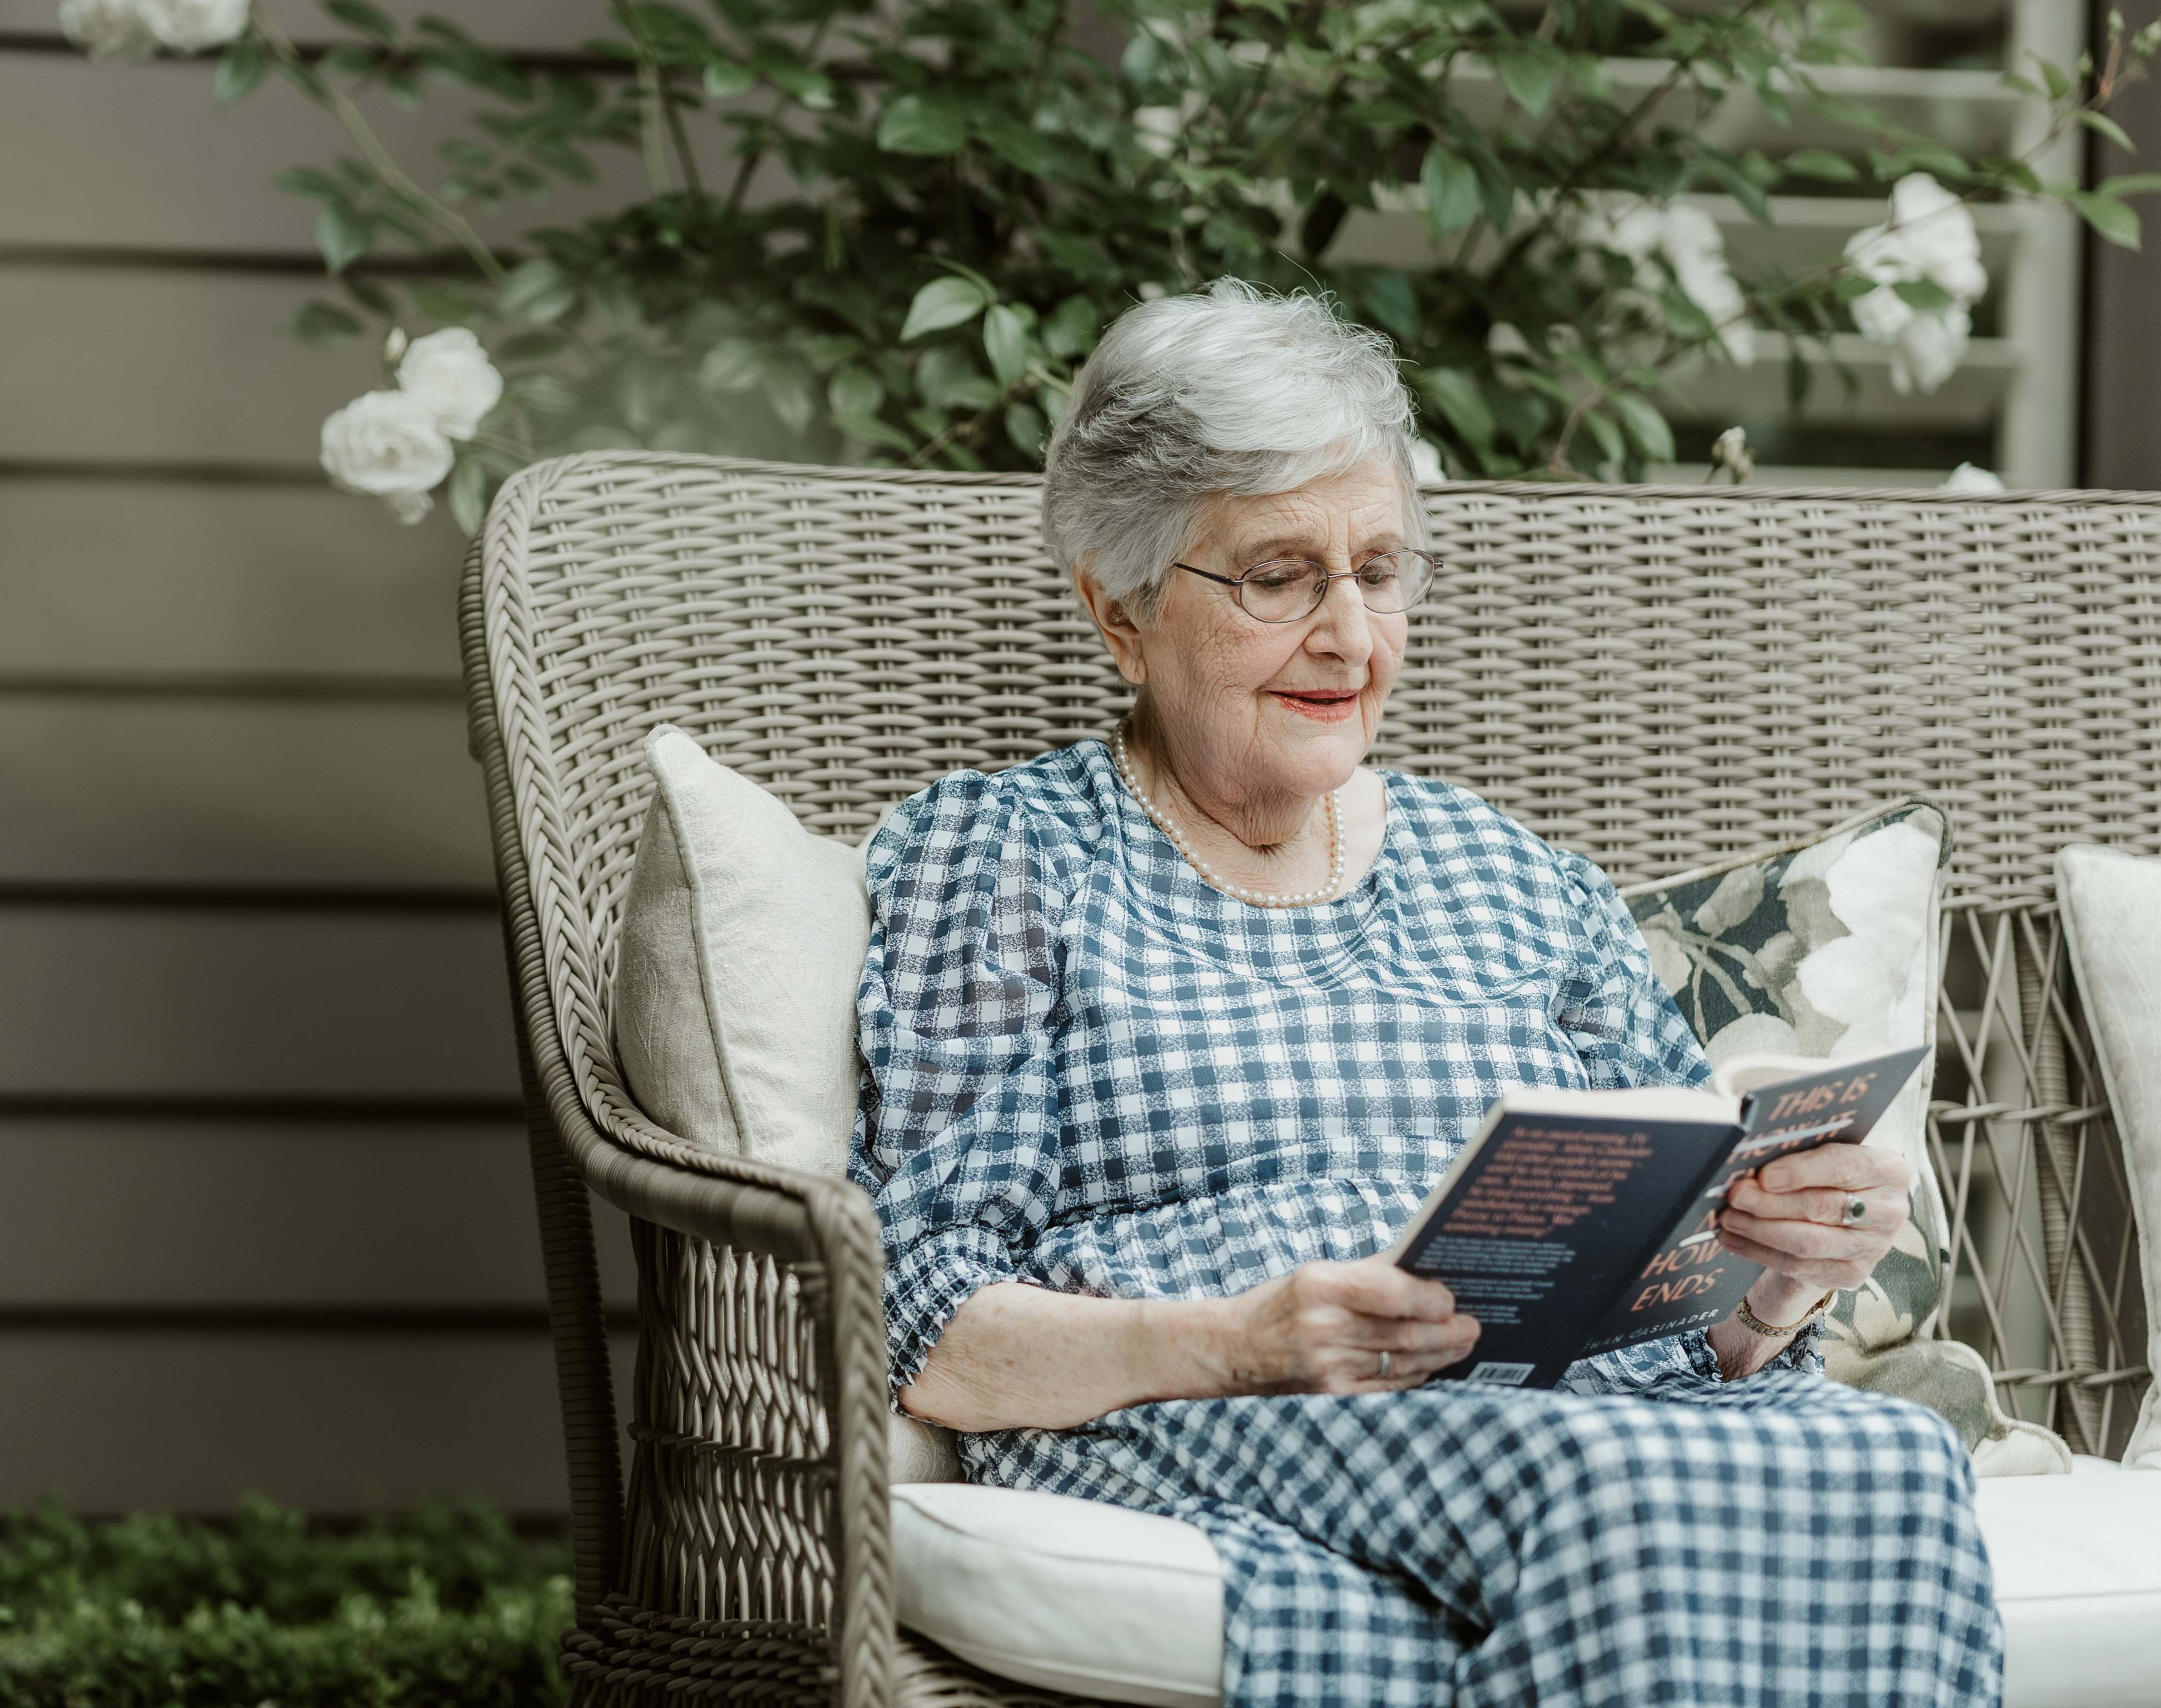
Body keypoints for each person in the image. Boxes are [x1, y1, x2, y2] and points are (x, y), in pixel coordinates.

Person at [850, 280, 1999, 1707]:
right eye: (1279, 576)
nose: (1351, 636)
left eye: (1381, 570)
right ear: (1123, 610)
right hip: (1230, 1411)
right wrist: (1237, 1339)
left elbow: (1681, 1299)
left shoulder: (1511, 874)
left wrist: (1774, 1275)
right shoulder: (1004, 857)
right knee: (1601, 1484)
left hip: (1572, 1417)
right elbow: (919, 1318)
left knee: (1889, 1458)